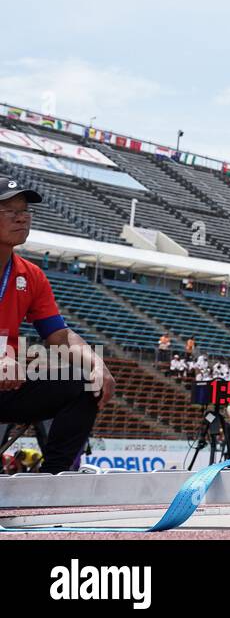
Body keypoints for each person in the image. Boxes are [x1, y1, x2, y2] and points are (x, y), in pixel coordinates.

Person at [0, 177, 115, 473]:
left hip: (6, 380)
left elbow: (58, 334)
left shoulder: (31, 274)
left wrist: (96, 363)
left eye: (25, 210)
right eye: (8, 210)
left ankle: (52, 481)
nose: (21, 217)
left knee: (84, 383)